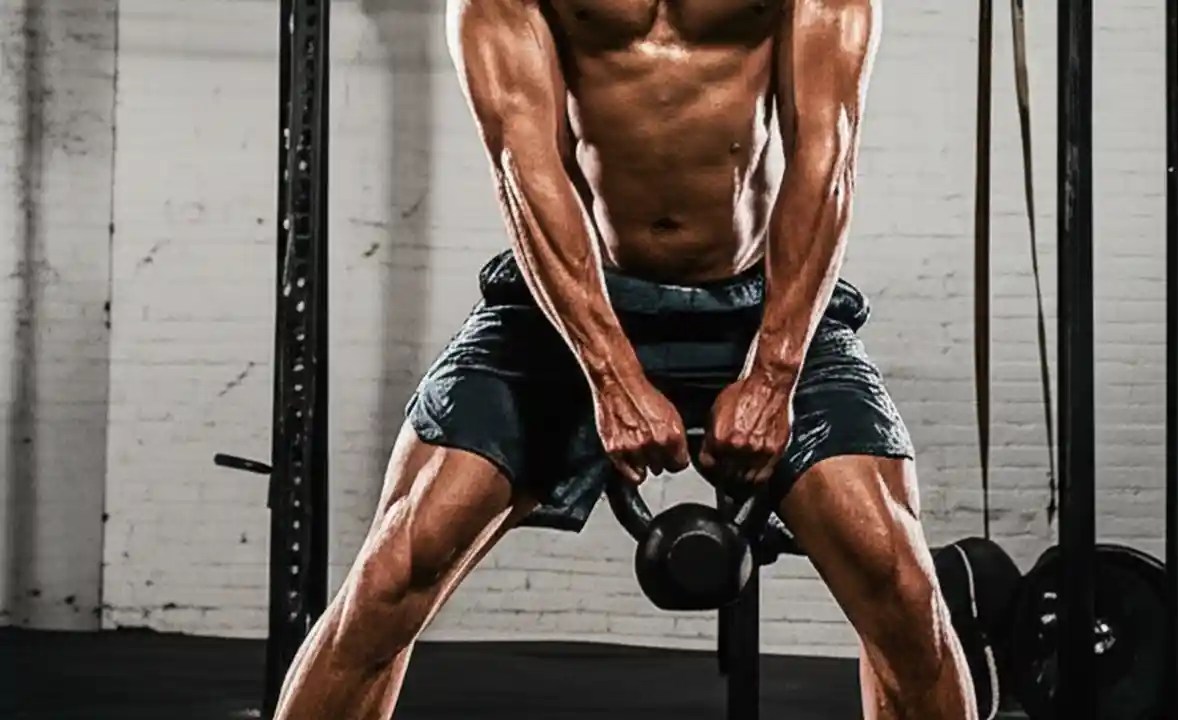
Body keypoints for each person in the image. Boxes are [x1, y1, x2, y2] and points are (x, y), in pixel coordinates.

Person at [273, 1, 977, 718]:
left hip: (761, 303)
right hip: (568, 300)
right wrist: (609, 373)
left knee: (903, 591)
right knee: (393, 573)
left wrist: (773, 374)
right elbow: (524, 162)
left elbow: (828, 151)